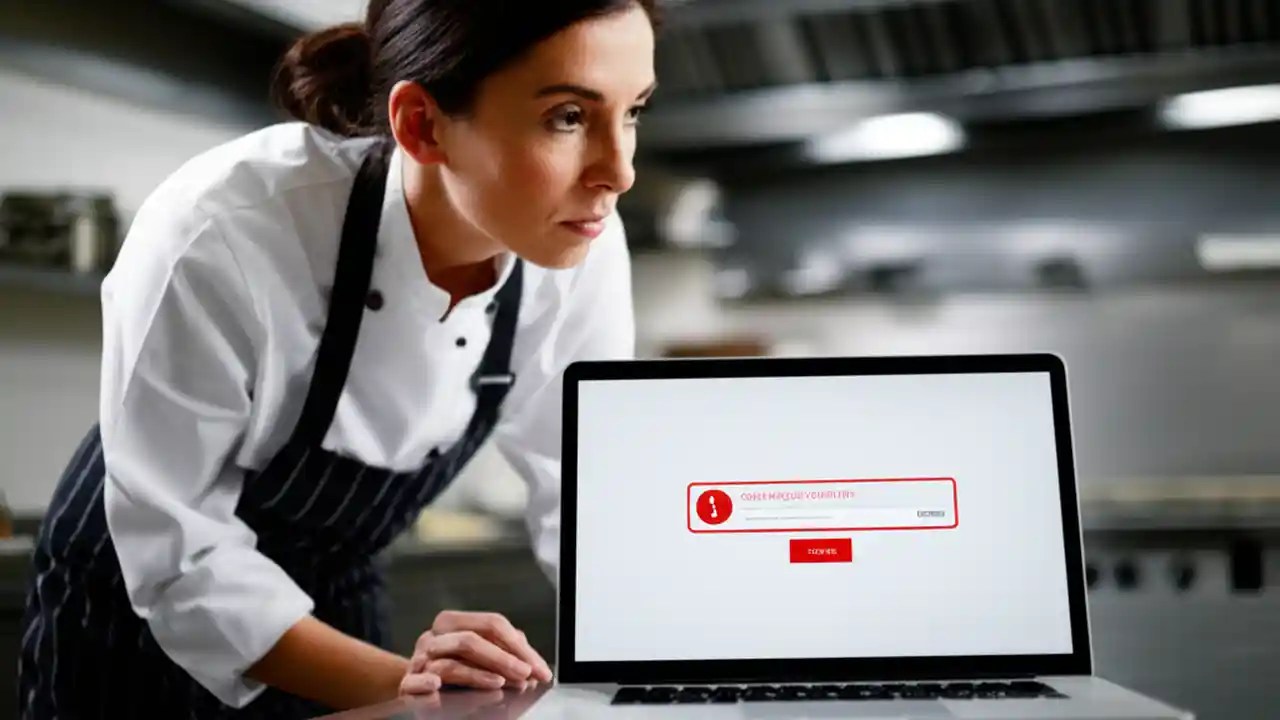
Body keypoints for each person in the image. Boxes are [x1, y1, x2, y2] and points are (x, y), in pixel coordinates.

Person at [18, 0, 657, 716]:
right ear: (421, 123)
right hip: (134, 612)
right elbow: (177, 555)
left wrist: (673, 671)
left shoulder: (578, 246)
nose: (620, 171)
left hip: (337, 595)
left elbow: (585, 495)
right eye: (568, 117)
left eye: (633, 111)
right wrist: (410, 688)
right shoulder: (223, 231)